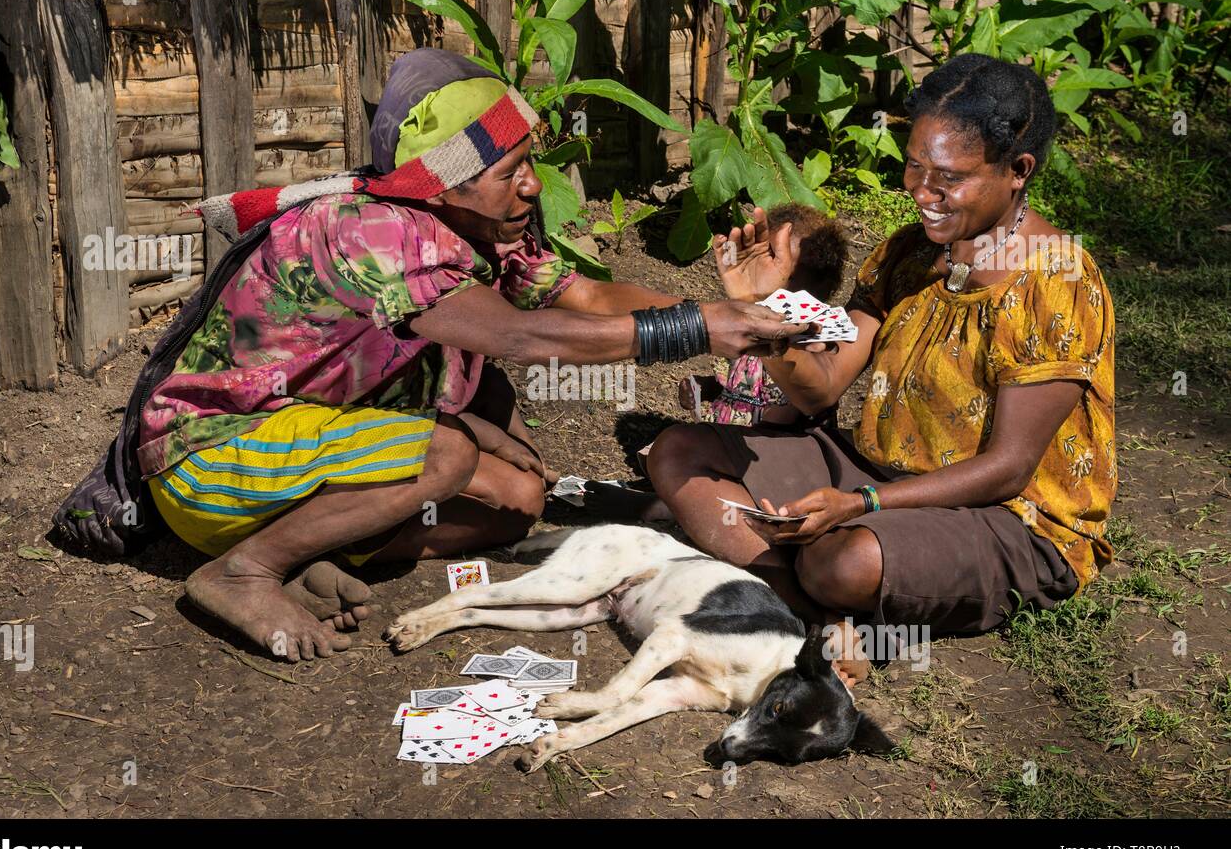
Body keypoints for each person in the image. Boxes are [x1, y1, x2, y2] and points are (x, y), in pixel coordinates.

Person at [137, 48, 800, 662]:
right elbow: (522, 336)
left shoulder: (476, 224)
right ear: (446, 187)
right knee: (447, 453)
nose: (534, 186)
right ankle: (244, 568)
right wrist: (696, 328)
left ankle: (314, 544)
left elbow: (586, 294)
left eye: (529, 163)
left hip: (305, 443)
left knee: (517, 497)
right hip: (214, 459)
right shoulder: (373, 230)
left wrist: (731, 311)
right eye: (511, 172)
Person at [647, 53, 1116, 688]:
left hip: (1009, 517)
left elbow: (1007, 468)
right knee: (679, 452)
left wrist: (861, 503)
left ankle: (824, 598)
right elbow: (823, 385)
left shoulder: (1057, 283)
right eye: (915, 166)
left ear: (1018, 171)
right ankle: (820, 616)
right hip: (881, 474)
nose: (921, 192)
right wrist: (762, 312)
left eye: (948, 178)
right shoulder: (910, 254)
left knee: (844, 561)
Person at [678, 202, 847, 428]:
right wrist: (703, 387)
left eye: (789, 275)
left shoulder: (816, 338)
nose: (773, 278)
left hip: (780, 448)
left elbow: (807, 398)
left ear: (820, 289)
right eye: (767, 263)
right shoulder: (743, 326)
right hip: (728, 437)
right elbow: (733, 384)